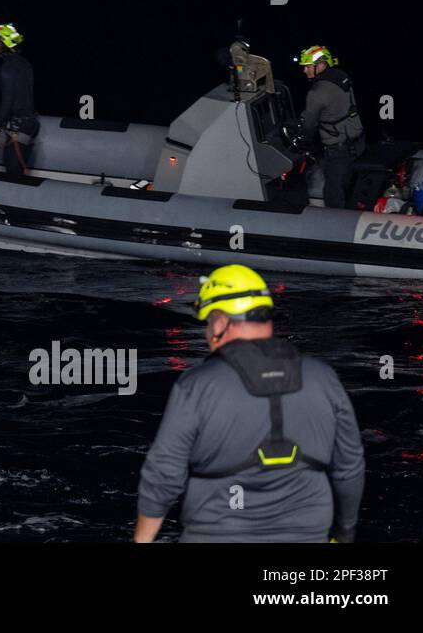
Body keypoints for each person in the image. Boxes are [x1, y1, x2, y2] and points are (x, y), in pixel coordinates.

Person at [134, 265, 365, 543]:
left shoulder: (198, 384)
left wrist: (142, 540)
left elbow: (163, 475)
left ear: (220, 322)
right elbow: (349, 467)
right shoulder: (323, 377)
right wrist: (345, 531)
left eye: (208, 324)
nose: (208, 334)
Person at [294, 45, 366, 209]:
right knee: (347, 185)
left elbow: (308, 125)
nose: (304, 71)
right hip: (358, 142)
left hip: (338, 151)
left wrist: (301, 136)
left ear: (320, 65)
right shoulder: (342, 78)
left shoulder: (317, 93)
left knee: (333, 193)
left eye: (307, 67)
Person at [0, 23, 39, 176]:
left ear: (5, 43)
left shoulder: (6, 69)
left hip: (18, 127)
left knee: (13, 176)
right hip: (31, 124)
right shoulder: (25, 64)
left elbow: (7, 103)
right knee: (20, 171)